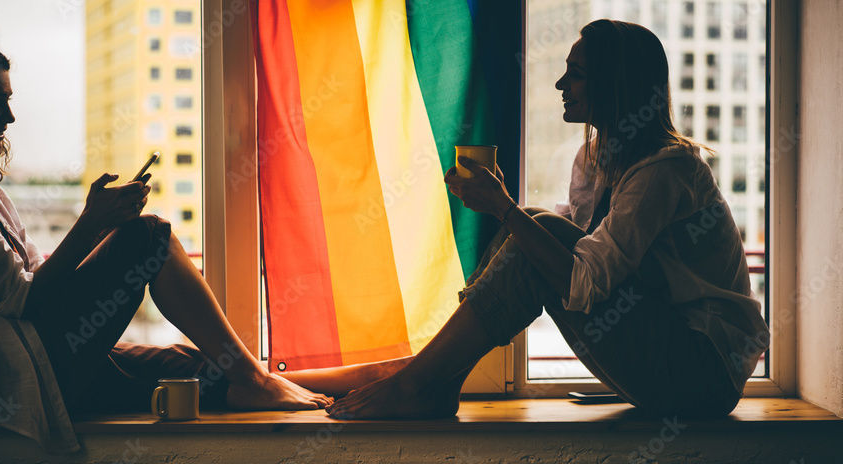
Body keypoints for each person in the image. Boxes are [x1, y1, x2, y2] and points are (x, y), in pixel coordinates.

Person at [0, 34, 406, 453]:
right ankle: (259, 377)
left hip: (42, 356)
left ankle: (382, 380)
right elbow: (22, 297)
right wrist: (95, 226)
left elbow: (33, 279)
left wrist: (101, 230)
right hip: (2, 384)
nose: (11, 118)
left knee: (193, 368)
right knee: (147, 236)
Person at [327, 19, 769, 420]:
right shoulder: (595, 159)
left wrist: (504, 208)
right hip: (659, 354)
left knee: (532, 227)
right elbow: (563, 252)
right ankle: (438, 381)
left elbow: (581, 283)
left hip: (702, 374)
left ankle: (417, 381)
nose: (561, 83)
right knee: (535, 225)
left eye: (575, 73)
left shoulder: (667, 169)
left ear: (614, 85)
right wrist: (509, 211)